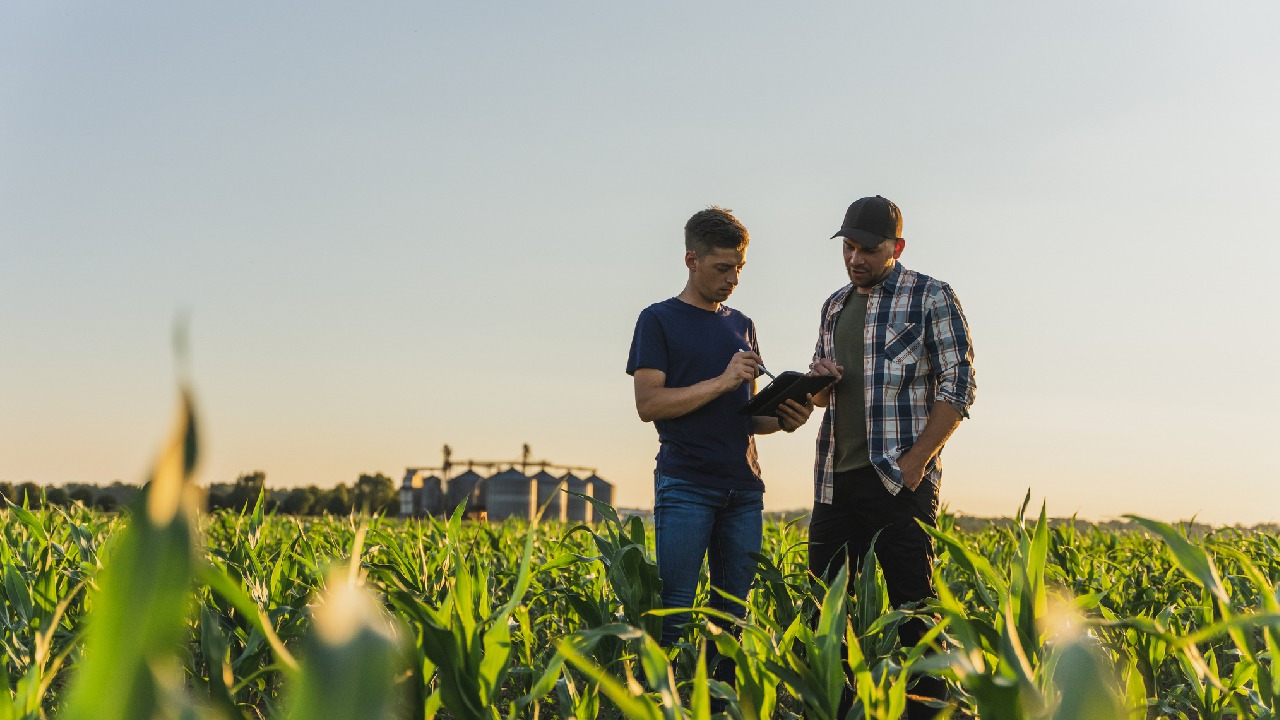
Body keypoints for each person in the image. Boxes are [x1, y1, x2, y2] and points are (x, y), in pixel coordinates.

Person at [806, 195, 976, 719]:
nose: (855, 259)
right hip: (835, 481)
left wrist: (916, 462)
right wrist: (817, 381)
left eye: (868, 250)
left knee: (915, 613)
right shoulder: (834, 305)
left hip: (899, 481)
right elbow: (821, 397)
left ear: (896, 248)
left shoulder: (931, 296)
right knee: (826, 613)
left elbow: (959, 386)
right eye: (848, 248)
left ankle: (927, 711)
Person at [626, 206, 814, 659]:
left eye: (740, 268)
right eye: (723, 268)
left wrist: (786, 419)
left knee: (732, 616)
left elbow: (746, 417)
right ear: (691, 260)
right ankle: (665, 695)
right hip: (686, 485)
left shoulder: (742, 324)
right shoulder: (657, 319)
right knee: (675, 612)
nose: (733, 279)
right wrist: (723, 381)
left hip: (744, 490)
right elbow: (649, 405)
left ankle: (721, 694)